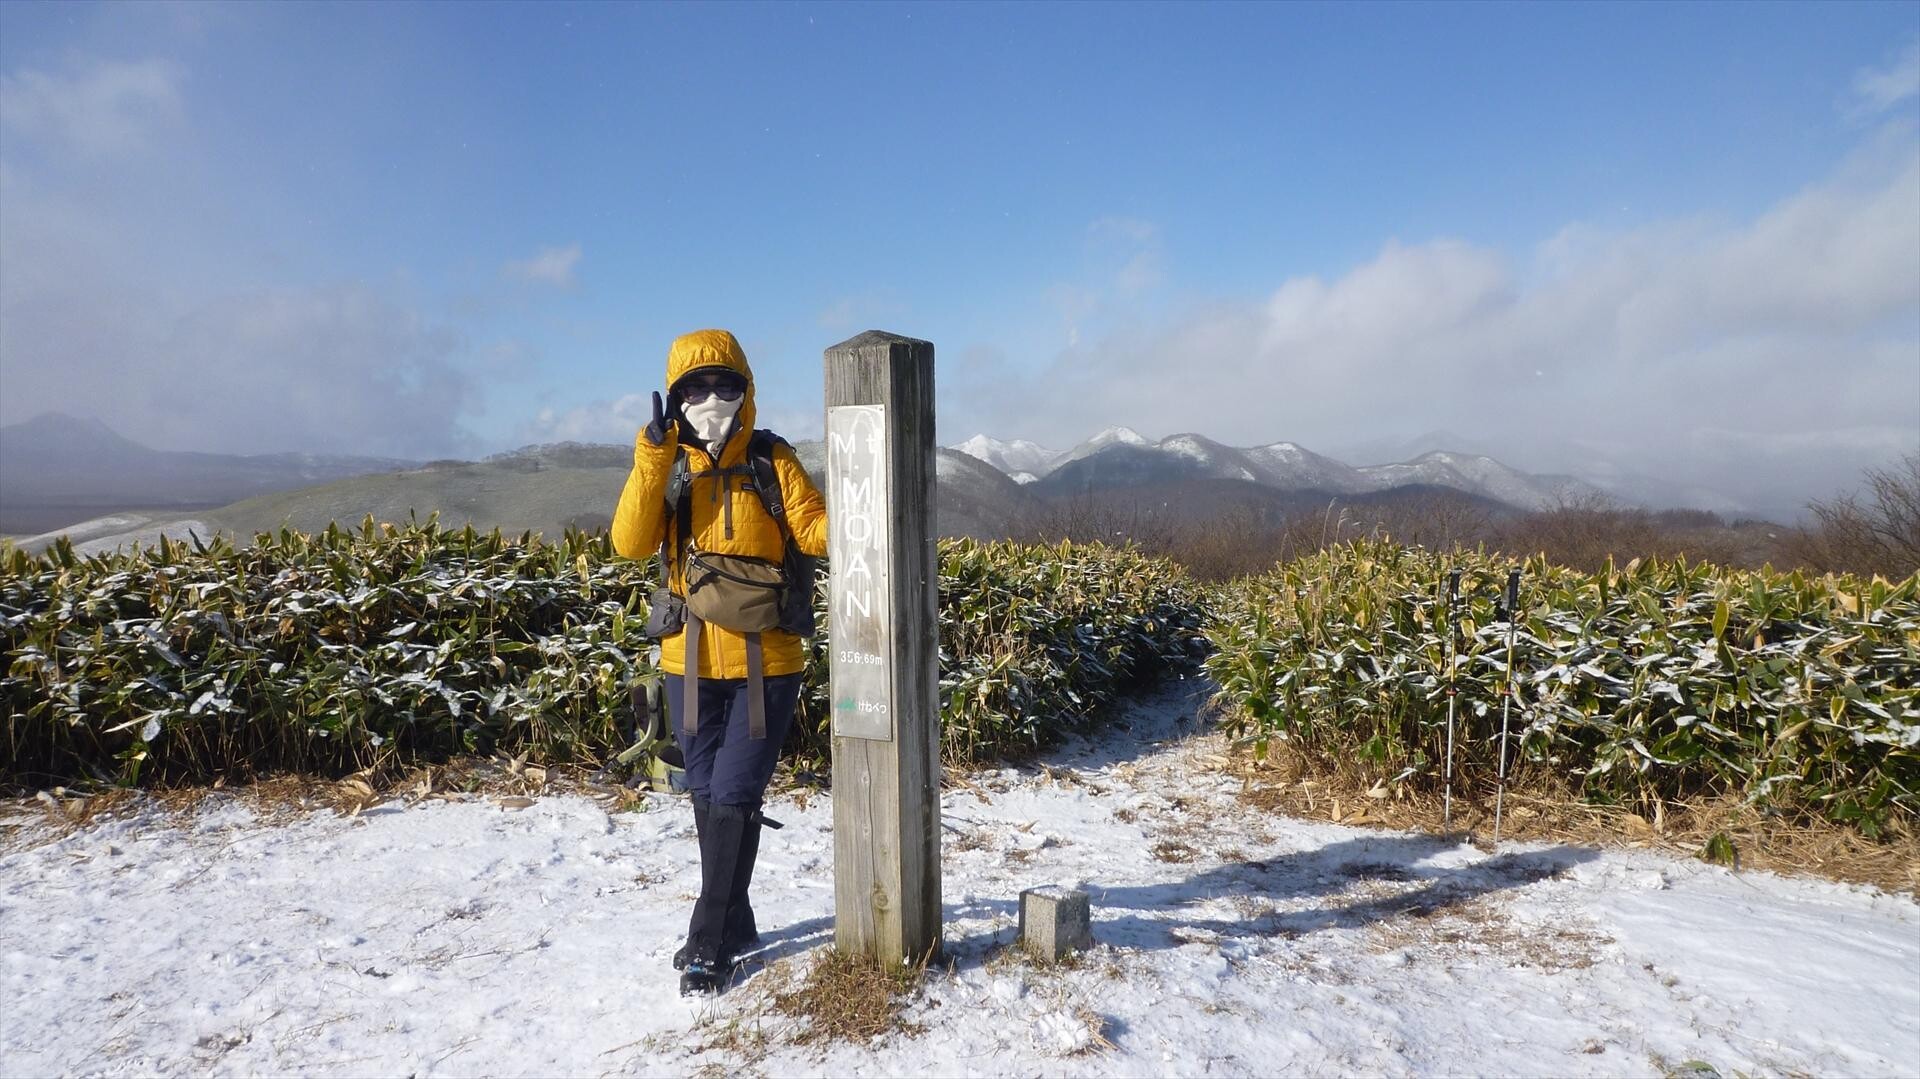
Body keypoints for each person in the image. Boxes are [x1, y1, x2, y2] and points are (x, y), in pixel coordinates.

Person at [610, 329, 828, 995]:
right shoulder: (670, 465)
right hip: (689, 660)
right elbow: (630, 542)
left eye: (724, 384)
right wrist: (653, 455)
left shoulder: (772, 459)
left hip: (768, 663)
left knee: (733, 793)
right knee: (706, 794)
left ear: (746, 389)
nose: (711, 397)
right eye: (695, 387)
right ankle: (737, 918)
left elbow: (815, 529)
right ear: (675, 396)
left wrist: (873, 505)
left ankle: (707, 939)